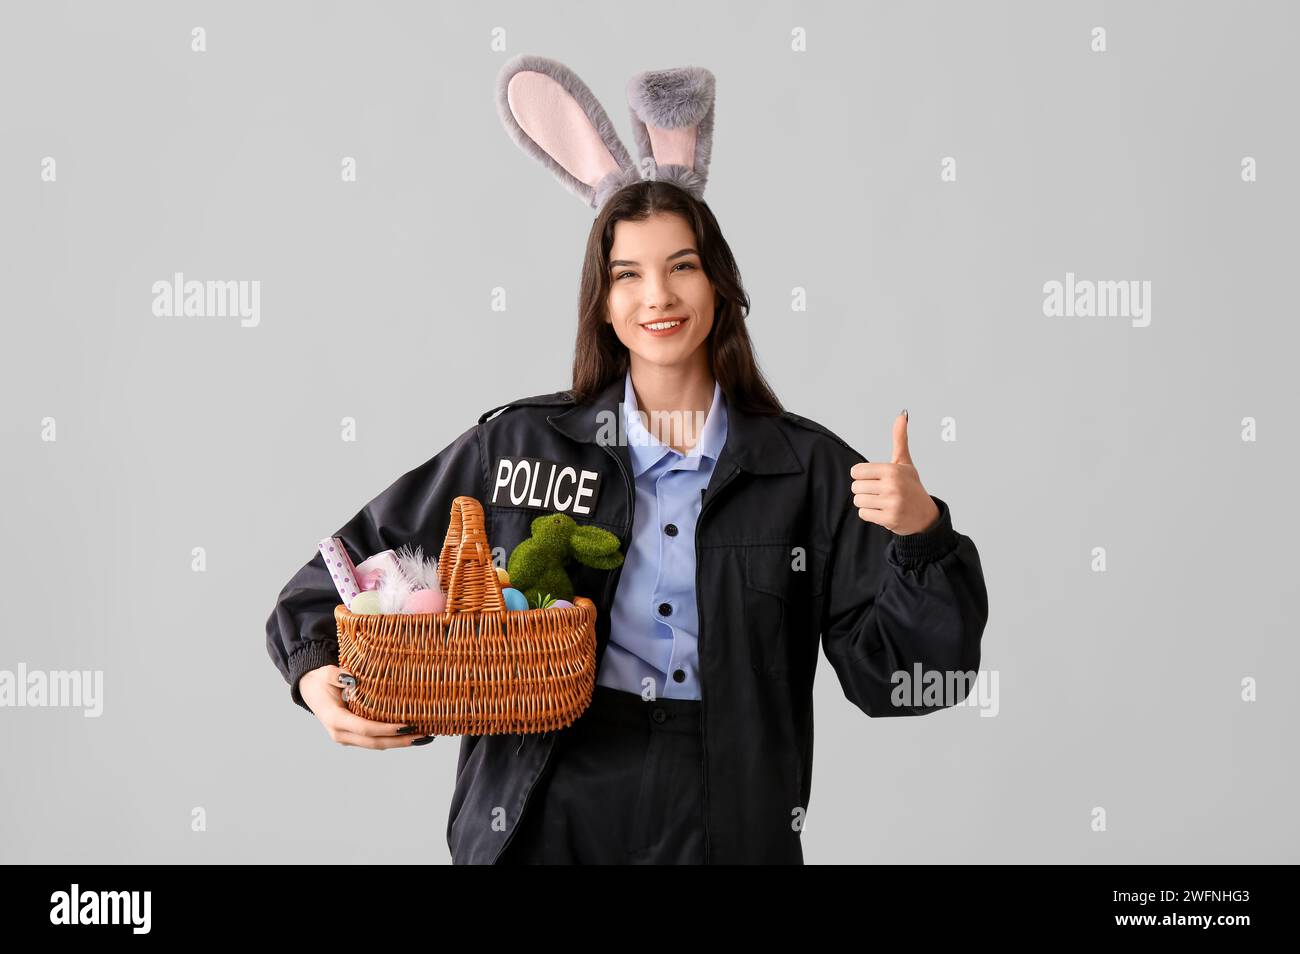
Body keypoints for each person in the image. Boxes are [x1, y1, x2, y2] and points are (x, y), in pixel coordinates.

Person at [265, 55, 989, 865]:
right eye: (628, 275)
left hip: (724, 818)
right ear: (603, 306)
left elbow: (910, 679)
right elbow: (337, 571)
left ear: (718, 285)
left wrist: (922, 537)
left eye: (682, 267)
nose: (658, 297)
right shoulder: (518, 448)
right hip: (545, 806)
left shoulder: (805, 471)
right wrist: (314, 676)